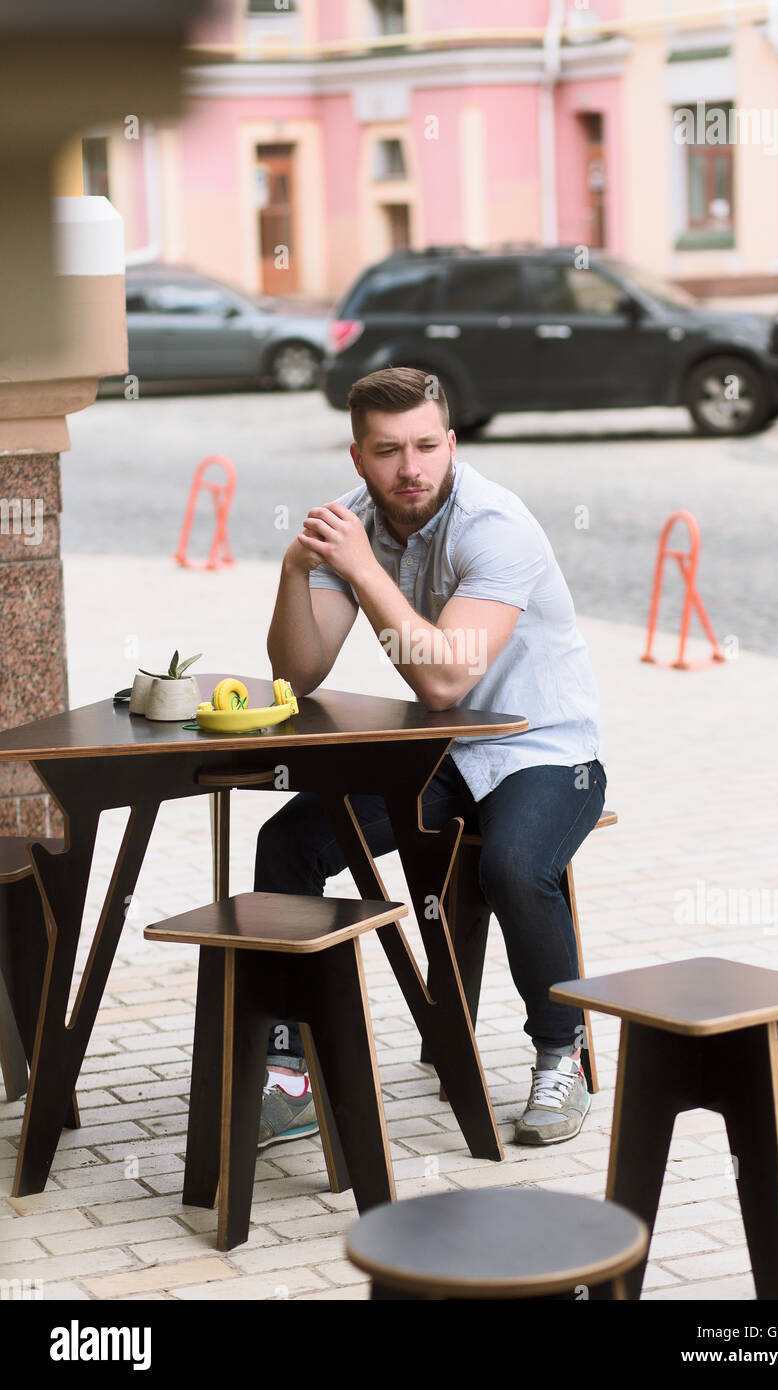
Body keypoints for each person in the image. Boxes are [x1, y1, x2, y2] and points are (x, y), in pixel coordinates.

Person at [254, 366, 606, 1149]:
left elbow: (445, 679)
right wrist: (295, 571)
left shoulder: (495, 526)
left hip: (543, 747)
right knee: (288, 841)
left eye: (424, 446)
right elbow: (297, 675)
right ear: (357, 458)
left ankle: (562, 1053)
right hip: (439, 755)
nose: (409, 469)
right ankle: (289, 1071)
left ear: (450, 443)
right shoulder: (355, 522)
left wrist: (365, 572)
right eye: (387, 451)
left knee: (512, 865)